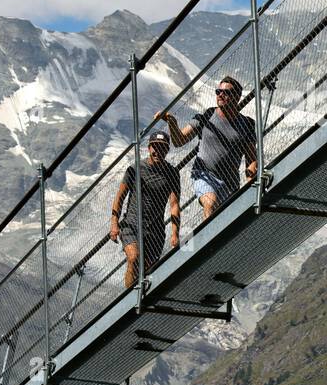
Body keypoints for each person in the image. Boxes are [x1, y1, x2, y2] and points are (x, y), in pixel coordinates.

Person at [156, 75, 257, 221]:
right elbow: (179, 141)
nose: (220, 95)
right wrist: (172, 122)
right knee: (210, 203)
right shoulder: (206, 116)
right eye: (218, 91)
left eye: (226, 92)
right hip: (204, 174)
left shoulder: (246, 124)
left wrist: (250, 182)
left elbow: (251, 158)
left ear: (237, 97)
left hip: (230, 183)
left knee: (227, 221)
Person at [108, 130, 182, 289]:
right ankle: (128, 300)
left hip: (155, 230)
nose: (157, 151)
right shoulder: (135, 169)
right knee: (134, 258)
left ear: (167, 150)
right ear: (149, 148)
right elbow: (120, 196)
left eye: (162, 148)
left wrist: (175, 233)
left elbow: (174, 204)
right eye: (154, 147)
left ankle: (139, 300)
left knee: (148, 270)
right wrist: (114, 223)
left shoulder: (172, 173)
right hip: (131, 225)